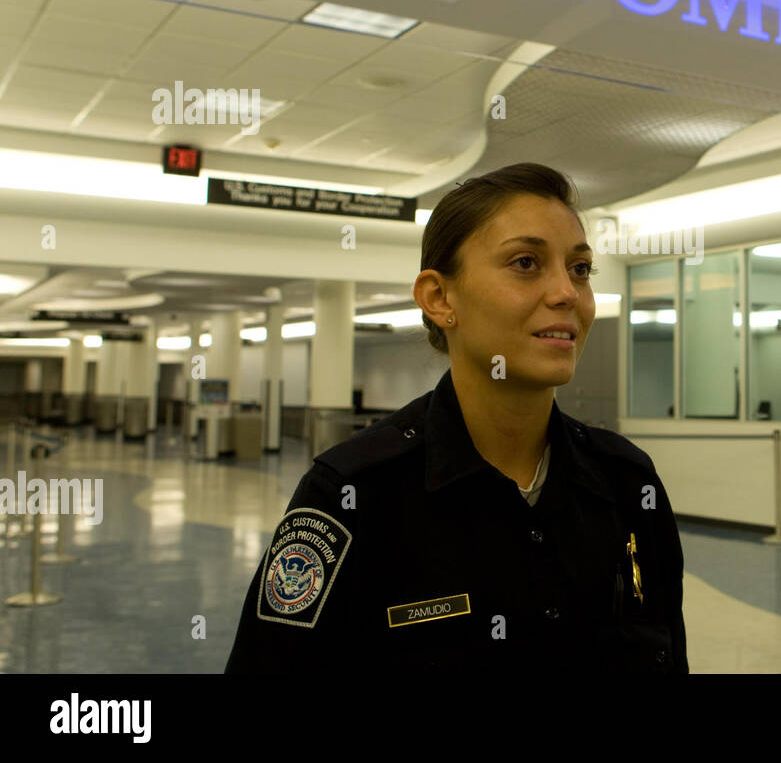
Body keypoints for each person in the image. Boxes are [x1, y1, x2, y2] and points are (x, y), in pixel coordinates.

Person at [225, 162, 688, 673]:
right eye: (526, 263)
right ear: (440, 298)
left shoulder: (626, 483)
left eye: (579, 269)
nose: (567, 293)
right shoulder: (353, 496)